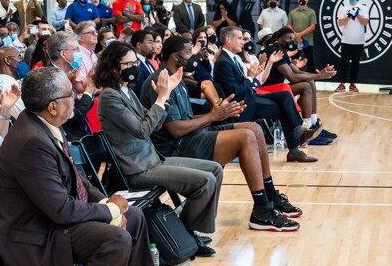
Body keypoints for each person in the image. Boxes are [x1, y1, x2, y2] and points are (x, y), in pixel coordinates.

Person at [0, 67, 172, 266]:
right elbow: (61, 209)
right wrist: (110, 211)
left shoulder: (44, 124)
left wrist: (107, 201)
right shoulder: (31, 141)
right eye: (70, 95)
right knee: (114, 239)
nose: (76, 98)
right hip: (36, 236)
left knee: (135, 216)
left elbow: (76, 179)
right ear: (53, 106)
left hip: (52, 222)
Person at [142, 36, 300, 231]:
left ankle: (270, 195)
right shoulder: (161, 81)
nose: (193, 56)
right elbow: (175, 130)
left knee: (254, 128)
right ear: (175, 56)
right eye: (188, 52)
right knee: (245, 137)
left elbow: (187, 119)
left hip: (191, 138)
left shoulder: (177, 76)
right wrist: (213, 116)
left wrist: (220, 113)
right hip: (175, 148)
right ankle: (262, 210)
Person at [96, 43, 222, 254]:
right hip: (137, 168)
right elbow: (143, 130)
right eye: (128, 63)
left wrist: (165, 96)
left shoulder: (126, 91)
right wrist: (161, 98)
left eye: (135, 63)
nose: (134, 67)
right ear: (114, 67)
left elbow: (153, 123)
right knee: (205, 181)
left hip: (152, 158)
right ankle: (188, 234)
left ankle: (189, 232)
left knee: (215, 169)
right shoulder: (110, 96)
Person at [214, 26, 319, 163]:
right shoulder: (223, 62)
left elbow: (252, 82)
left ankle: (299, 134)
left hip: (250, 96)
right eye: (239, 38)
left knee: (285, 95)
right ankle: (295, 147)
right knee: (284, 107)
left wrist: (258, 72)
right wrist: (250, 77)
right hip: (242, 104)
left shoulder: (233, 58)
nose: (243, 42)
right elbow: (235, 92)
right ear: (228, 39)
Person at [263, 28, 337, 142]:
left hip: (277, 88)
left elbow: (297, 71)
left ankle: (313, 123)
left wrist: (319, 75)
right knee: (305, 86)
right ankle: (306, 130)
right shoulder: (273, 51)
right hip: (266, 90)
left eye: (293, 39)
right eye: (289, 38)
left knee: (310, 82)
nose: (291, 41)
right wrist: (319, 76)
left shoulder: (282, 52)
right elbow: (292, 77)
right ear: (279, 39)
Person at [333, 0, 369, 93]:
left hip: (359, 41)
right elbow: (340, 23)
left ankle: (353, 84)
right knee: (344, 63)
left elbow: (365, 22)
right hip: (346, 40)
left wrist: (357, 14)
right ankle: (342, 84)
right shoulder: (343, 8)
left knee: (355, 63)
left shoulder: (363, 8)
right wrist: (349, 16)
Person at [287, 0, 317, 73]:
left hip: (307, 41)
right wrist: (295, 35)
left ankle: (311, 78)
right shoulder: (292, 12)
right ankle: (291, 77)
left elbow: (312, 26)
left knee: (310, 61)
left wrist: (300, 35)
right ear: (297, 0)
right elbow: (288, 25)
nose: (302, 0)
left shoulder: (311, 12)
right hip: (295, 41)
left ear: (307, 1)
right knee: (293, 60)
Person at [131, 28, 157, 92]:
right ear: (139, 45)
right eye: (150, 43)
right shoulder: (135, 64)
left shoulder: (146, 60)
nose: (153, 46)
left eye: (153, 43)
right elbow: (141, 90)